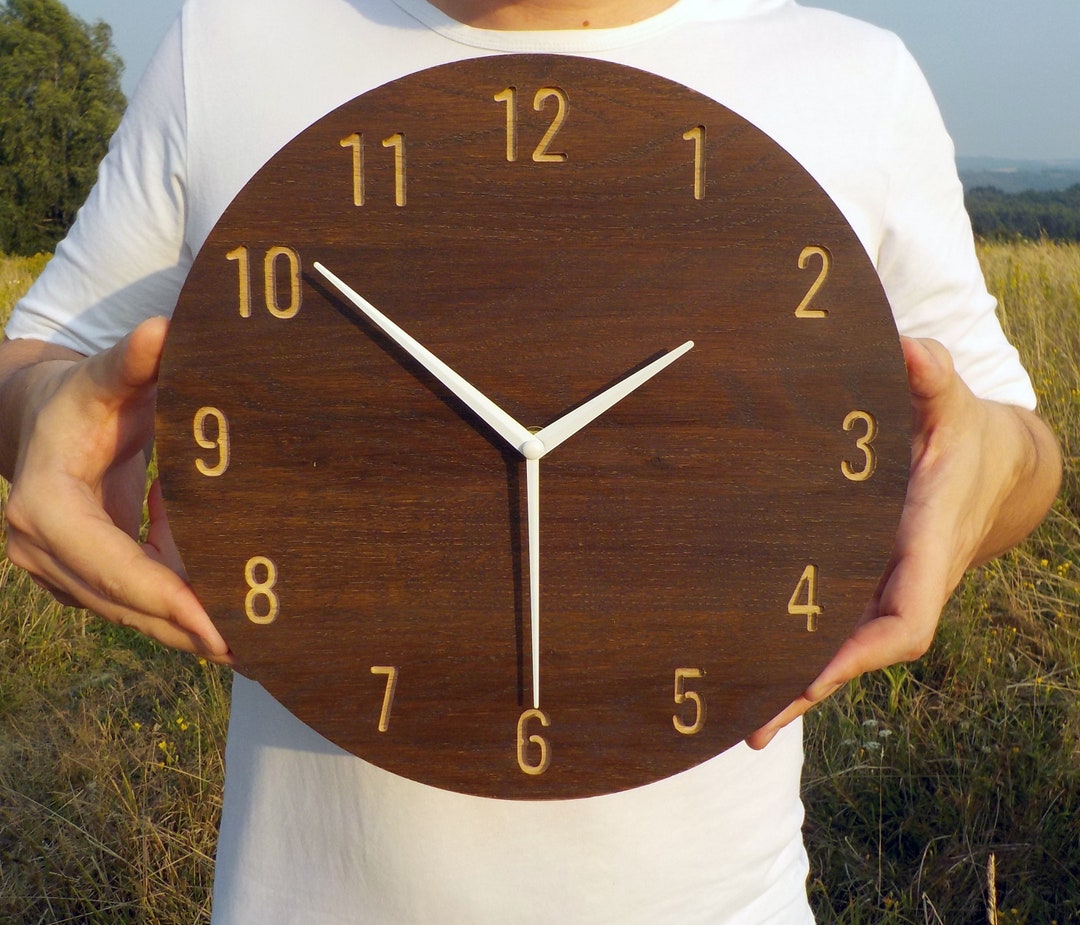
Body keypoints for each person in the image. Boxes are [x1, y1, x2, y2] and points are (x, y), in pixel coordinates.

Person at [0, 0, 1062, 921]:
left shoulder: (851, 81)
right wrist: (43, 407)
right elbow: (37, 357)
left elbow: (1008, 446)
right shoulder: (231, 45)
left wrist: (990, 473)